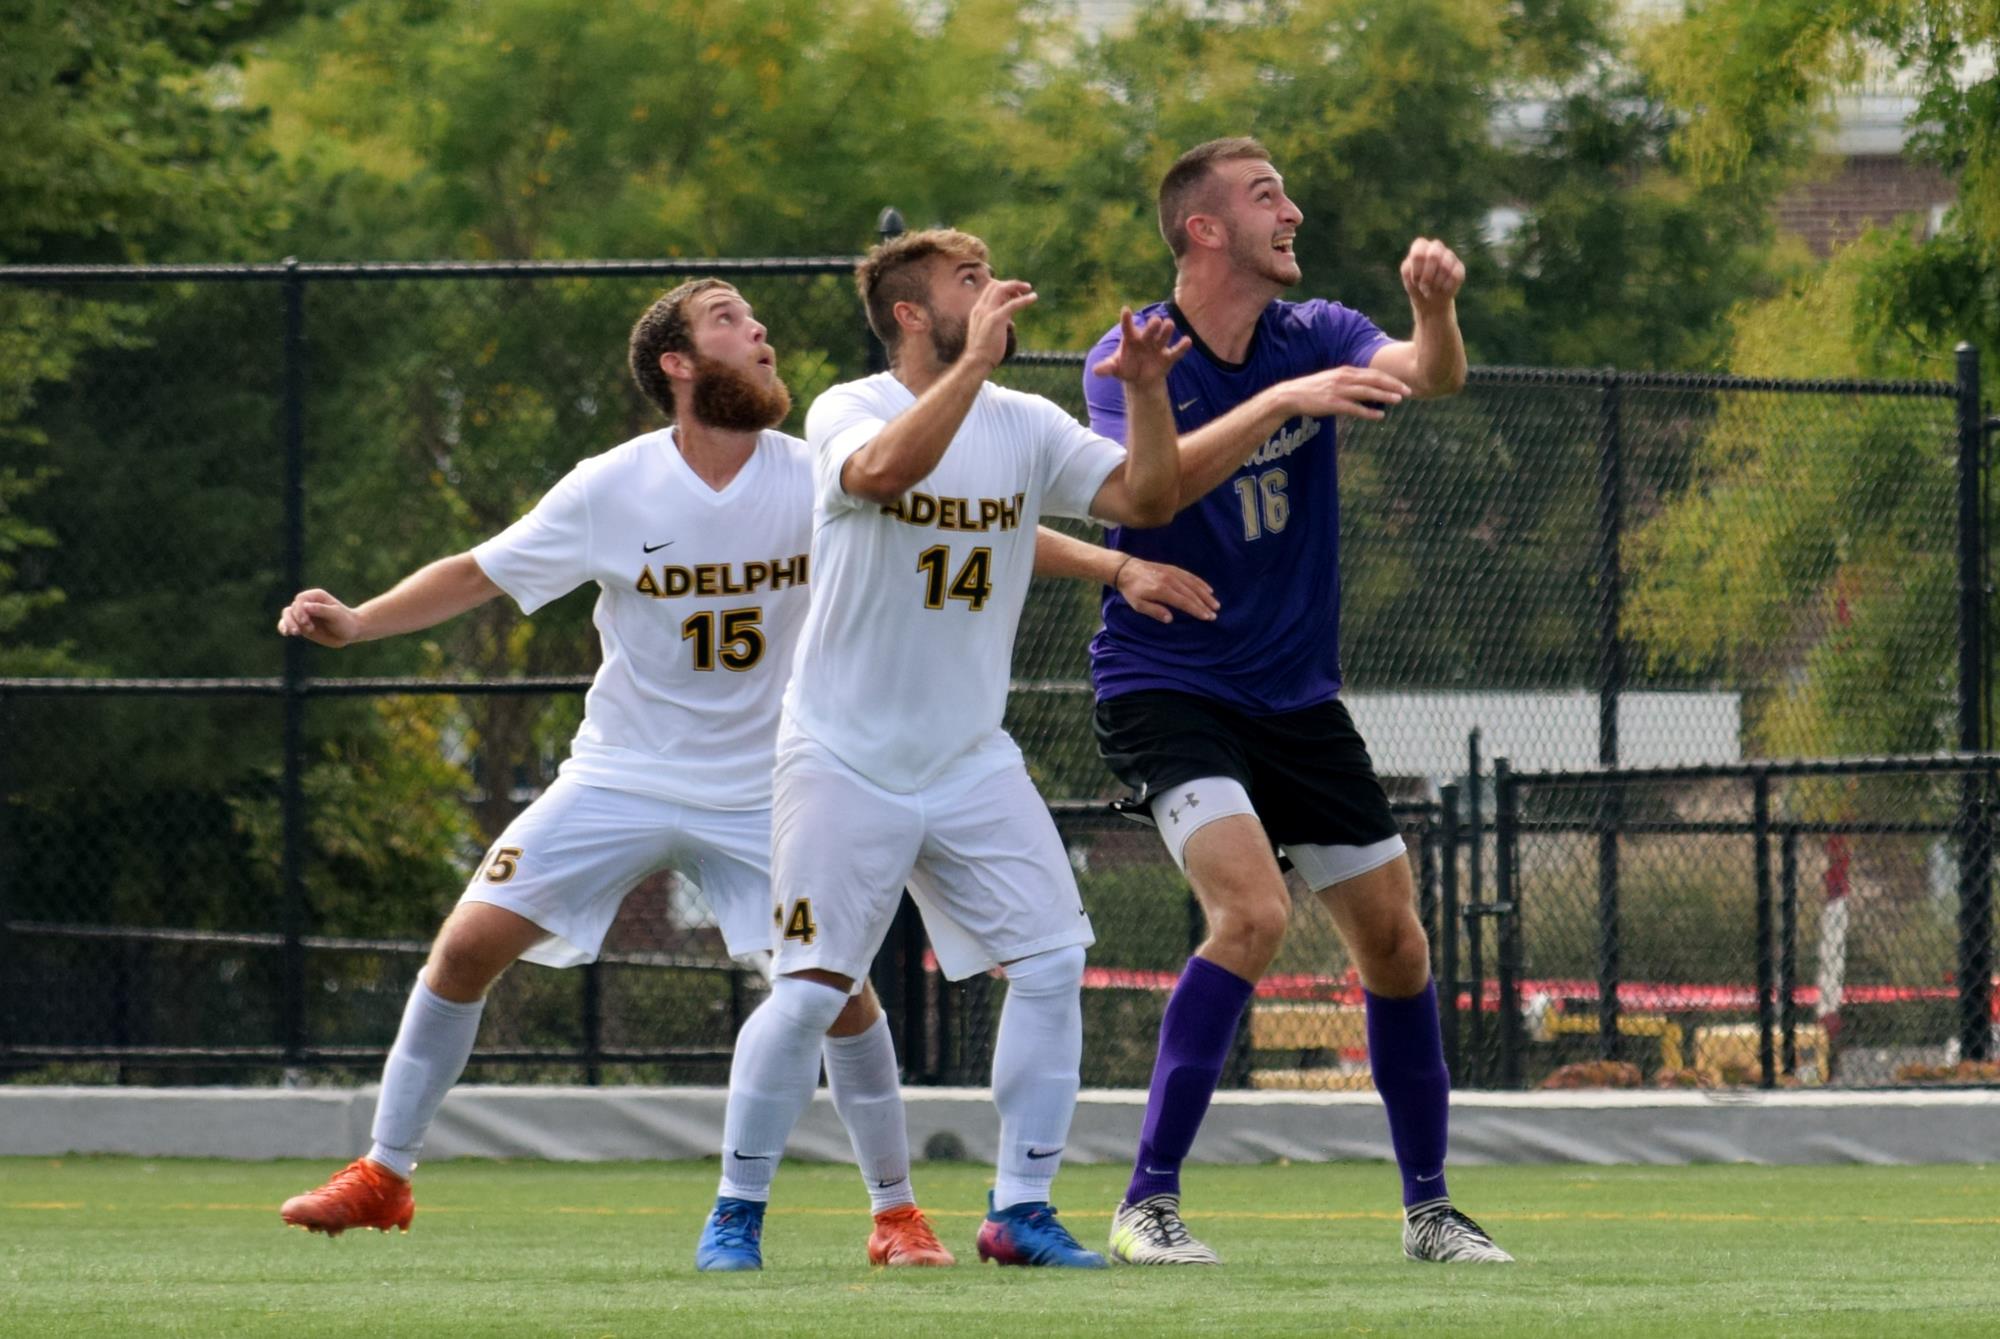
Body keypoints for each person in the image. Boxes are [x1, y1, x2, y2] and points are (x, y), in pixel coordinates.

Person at [692, 228, 1192, 1273]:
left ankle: (1020, 1209)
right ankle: (736, 1213)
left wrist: (1147, 393)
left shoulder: (1024, 421)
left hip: (969, 757)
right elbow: (883, 474)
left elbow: (1148, 500)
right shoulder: (850, 407)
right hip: (841, 755)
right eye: (970, 281)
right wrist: (973, 369)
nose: (994, 287)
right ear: (912, 315)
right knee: (811, 988)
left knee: (1052, 961)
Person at [1079, 137, 1513, 1266]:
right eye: (1266, 196)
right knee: (1253, 915)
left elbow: (1430, 375)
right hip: (1167, 682)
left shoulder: (1314, 329)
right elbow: (1148, 495)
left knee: (1397, 944)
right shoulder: (1132, 356)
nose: (1295, 212)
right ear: (1204, 229)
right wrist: (1280, 401)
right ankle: (1144, 1203)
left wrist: (1435, 311)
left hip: (1295, 697)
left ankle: (1429, 1211)